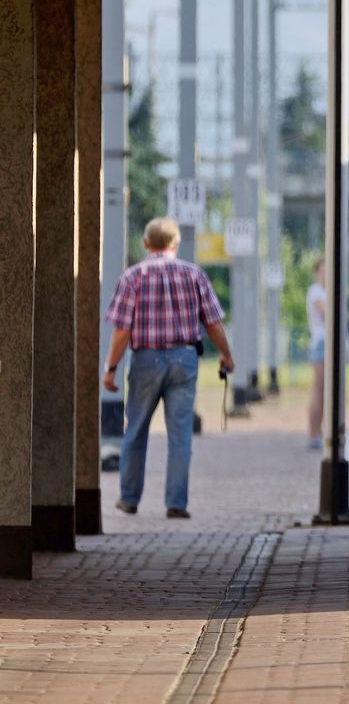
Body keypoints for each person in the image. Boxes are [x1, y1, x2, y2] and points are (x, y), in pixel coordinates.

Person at [102, 217, 236, 520]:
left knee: (135, 431)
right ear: (175, 244)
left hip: (145, 360)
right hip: (184, 360)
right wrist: (226, 355)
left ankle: (129, 498)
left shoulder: (132, 276)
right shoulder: (195, 275)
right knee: (180, 435)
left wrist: (111, 368)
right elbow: (213, 323)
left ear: (147, 244)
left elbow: (122, 331)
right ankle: (176, 502)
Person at [306, 260, 329, 451]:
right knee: (319, 390)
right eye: (322, 271)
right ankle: (314, 433)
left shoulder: (328, 293)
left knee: (328, 392)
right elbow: (329, 314)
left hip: (330, 343)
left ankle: (322, 431)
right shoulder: (316, 292)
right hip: (321, 343)